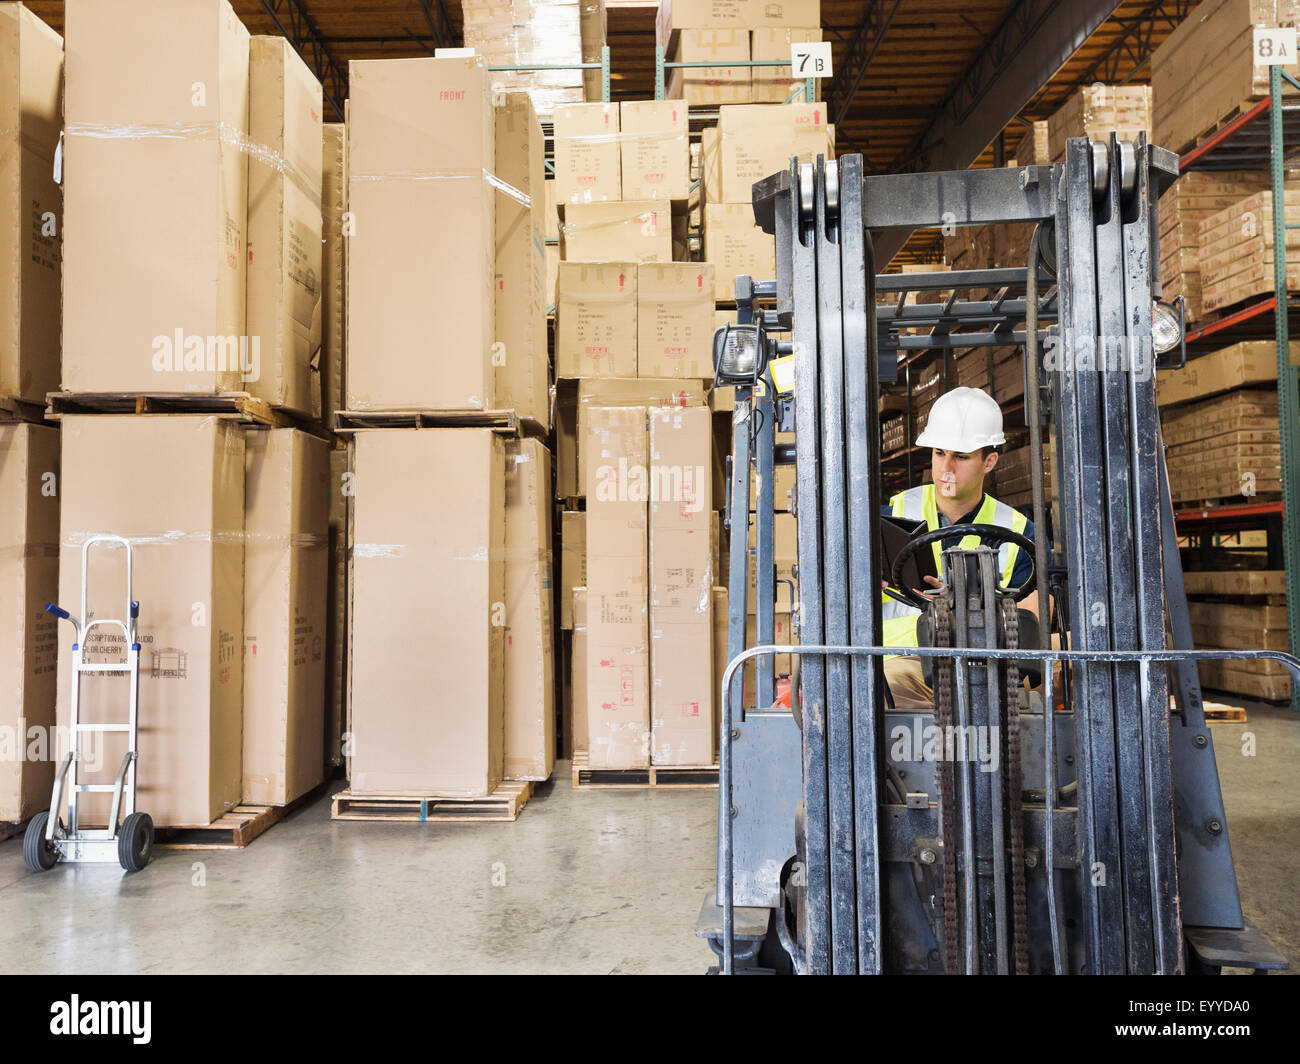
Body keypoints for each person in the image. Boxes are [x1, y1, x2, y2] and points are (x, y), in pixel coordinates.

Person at [882, 386, 1046, 709]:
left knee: (1072, 668)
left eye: (961, 456)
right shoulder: (893, 514)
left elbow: (1032, 622)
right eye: (939, 453)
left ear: (990, 461)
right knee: (885, 686)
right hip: (904, 660)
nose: (947, 467)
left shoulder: (1019, 531)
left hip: (987, 666)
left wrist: (961, 610)